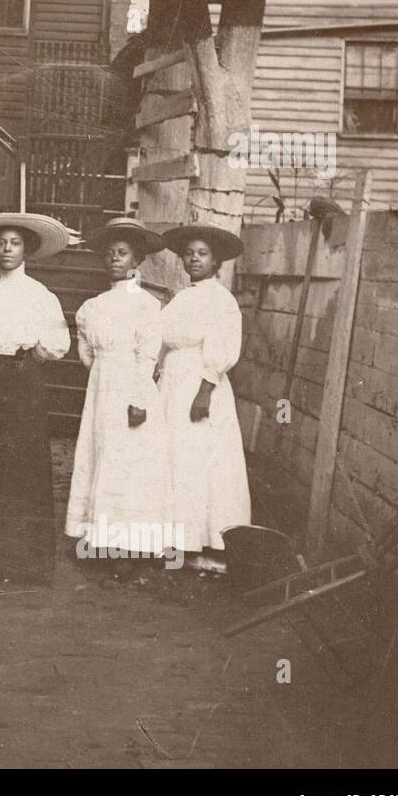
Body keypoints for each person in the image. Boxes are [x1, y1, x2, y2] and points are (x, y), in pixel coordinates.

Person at [65, 217, 173, 567]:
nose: (115, 258)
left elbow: (147, 356)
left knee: (128, 464)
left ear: (137, 260)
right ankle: (98, 536)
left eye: (123, 253)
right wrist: (101, 372)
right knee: (99, 455)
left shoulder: (146, 305)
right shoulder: (92, 307)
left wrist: (138, 399)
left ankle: (128, 545)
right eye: (110, 253)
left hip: (131, 389)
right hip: (102, 389)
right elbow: (86, 352)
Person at [0, 211, 72, 577]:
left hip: (24, 380)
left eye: (14, 243)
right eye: (1, 244)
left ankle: (29, 560)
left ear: (26, 249)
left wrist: (28, 356)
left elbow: (59, 342)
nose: (7, 250)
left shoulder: (39, 295)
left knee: (26, 463)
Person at [157, 224, 253, 571]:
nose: (194, 259)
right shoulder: (183, 297)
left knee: (197, 461)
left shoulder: (220, 300)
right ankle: (175, 541)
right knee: (174, 460)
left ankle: (206, 542)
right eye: (189, 253)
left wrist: (204, 391)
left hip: (200, 386)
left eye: (202, 254)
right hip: (173, 382)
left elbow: (223, 349)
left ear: (216, 262)